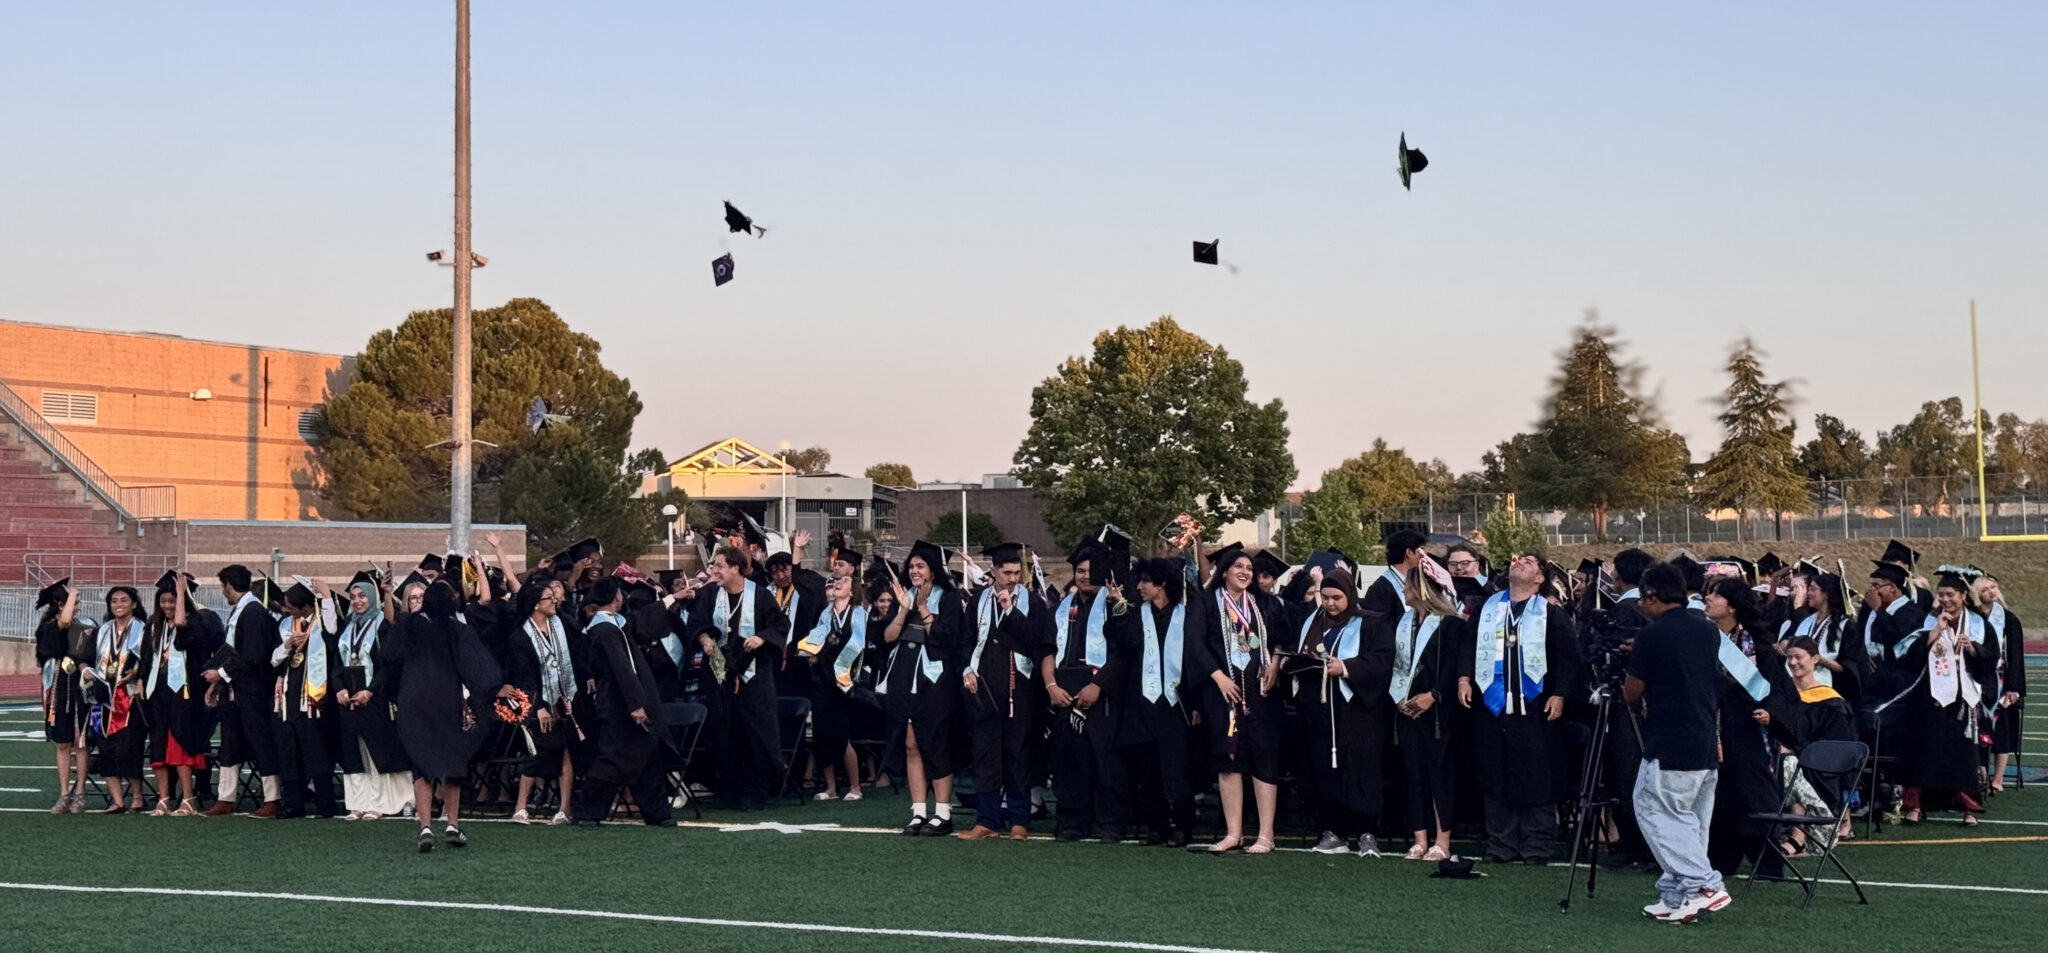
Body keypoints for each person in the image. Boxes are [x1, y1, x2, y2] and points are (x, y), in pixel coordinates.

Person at [1624, 562, 1733, 923]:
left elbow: (1631, 691)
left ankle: (1704, 885)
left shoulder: (1652, 635)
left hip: (1669, 741)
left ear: (1652, 595)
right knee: (1689, 822)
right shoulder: (1708, 630)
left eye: (1643, 598)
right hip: (1703, 736)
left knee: (1655, 810)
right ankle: (1677, 894)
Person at [1460, 552, 1582, 865]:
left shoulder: (1549, 613)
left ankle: (1536, 846)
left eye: (1529, 562)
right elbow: (1468, 645)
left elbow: (1568, 656)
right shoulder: (1488, 608)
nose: (1519, 563)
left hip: (1535, 704)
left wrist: (1560, 693)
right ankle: (1500, 845)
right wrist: (1463, 678)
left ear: (1540, 578)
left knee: (1536, 773)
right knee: (1494, 770)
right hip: (1493, 703)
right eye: (1518, 560)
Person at [391, 581, 508, 850]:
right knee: (452, 762)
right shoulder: (458, 630)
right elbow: (476, 667)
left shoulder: (410, 626)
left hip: (413, 701)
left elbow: (389, 655)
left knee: (421, 765)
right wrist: (494, 687)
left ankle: (425, 828)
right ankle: (453, 824)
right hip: (446, 701)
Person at [1289, 566, 1396, 857]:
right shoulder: (1311, 622)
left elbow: (1382, 662)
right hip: (1319, 709)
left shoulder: (1371, 623)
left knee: (1360, 770)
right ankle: (1332, 831)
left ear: (1350, 594)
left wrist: (1346, 668)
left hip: (1357, 712)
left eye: (1336, 597)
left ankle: (1366, 833)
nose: (1330, 604)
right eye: (1325, 597)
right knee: (1322, 770)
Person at [1188, 545, 1286, 854]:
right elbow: (1195, 643)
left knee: (1263, 757)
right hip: (1222, 693)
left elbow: (1283, 636)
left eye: (1249, 568)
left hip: (1261, 692)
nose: (1245, 572)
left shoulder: (1265, 604)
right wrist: (1218, 676)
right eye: (1238, 567)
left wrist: (1274, 664)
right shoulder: (1206, 603)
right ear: (1225, 571)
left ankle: (1265, 835)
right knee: (1228, 759)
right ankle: (1234, 833)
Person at [957, 543, 1050, 840]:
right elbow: (966, 641)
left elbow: (1035, 638)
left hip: (1019, 688)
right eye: (1006, 572)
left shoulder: (1031, 601)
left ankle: (1020, 819)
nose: (1012, 578)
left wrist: (1010, 609)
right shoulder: (978, 601)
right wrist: (967, 670)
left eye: (1016, 572)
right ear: (993, 571)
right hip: (984, 688)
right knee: (985, 754)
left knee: (1017, 752)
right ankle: (986, 820)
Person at [689, 548, 790, 812]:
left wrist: (762, 637)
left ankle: (758, 793)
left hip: (753, 676)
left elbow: (780, 625)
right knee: (724, 733)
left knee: (756, 734)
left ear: (735, 567)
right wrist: (704, 638)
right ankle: (729, 792)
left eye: (719, 566)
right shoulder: (711, 593)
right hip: (719, 674)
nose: (715, 571)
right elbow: (696, 621)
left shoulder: (761, 595)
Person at [1895, 571, 1999, 825]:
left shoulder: (1978, 623)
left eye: (1950, 595)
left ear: (1963, 596)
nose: (1945, 600)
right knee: (1924, 750)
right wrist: (1934, 633)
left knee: (1963, 754)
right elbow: (1908, 658)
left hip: (1963, 697)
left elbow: (1992, 659)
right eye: (1941, 595)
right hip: (1931, 696)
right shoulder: (1928, 621)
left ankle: (1969, 807)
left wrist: (1973, 648)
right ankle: (1915, 806)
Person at [1044, 541, 1130, 842]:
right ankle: (1072, 820)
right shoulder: (1061, 609)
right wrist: (1051, 686)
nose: (1084, 576)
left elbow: (1123, 653)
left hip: (1101, 694)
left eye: (1091, 571)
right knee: (1067, 759)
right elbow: (1047, 649)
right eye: (1080, 571)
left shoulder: (1116, 606)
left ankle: (1111, 821)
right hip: (1064, 694)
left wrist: (1098, 685)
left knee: (1106, 760)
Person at [877, 541, 965, 835]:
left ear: (932, 570)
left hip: (935, 678)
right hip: (903, 673)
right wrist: (904, 610)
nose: (914, 571)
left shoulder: (949, 599)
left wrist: (924, 608)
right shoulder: (904, 595)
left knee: (935, 741)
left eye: (920, 566)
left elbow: (945, 640)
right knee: (910, 742)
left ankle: (943, 812)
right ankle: (918, 812)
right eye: (911, 566)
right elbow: (888, 637)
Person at [575, 577, 674, 828]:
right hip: (619, 704)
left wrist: (674, 598)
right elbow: (621, 669)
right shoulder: (604, 629)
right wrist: (635, 704)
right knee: (614, 756)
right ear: (616, 597)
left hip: (624, 700)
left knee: (647, 756)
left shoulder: (613, 625)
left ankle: (658, 812)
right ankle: (587, 810)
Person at [1701, 576, 1782, 877]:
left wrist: (1770, 713)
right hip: (1715, 724)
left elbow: (1771, 688)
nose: (1708, 600)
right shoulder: (1705, 638)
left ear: (1733, 606)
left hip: (1748, 725)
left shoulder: (1758, 644)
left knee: (1754, 791)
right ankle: (1722, 858)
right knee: (1720, 794)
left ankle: (1768, 861)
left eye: (1716, 596)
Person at [1113, 557, 1197, 847]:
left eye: (1145, 581)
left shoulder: (1186, 615)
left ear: (1161, 584)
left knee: (1177, 770)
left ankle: (1183, 826)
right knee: (1147, 769)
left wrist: (1195, 702)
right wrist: (1119, 610)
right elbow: (1126, 644)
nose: (1139, 586)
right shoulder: (1137, 614)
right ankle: (1157, 825)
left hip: (1175, 703)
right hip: (1142, 703)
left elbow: (1193, 662)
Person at [1391, 560, 1467, 861]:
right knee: (1414, 771)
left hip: (1439, 711)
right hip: (1407, 708)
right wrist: (1399, 697)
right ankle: (1419, 838)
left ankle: (1442, 840)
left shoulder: (1451, 624)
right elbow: (1398, 665)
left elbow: (1453, 668)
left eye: (1408, 585)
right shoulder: (1403, 623)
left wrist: (1433, 695)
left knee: (1440, 772)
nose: (1405, 590)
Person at [1754, 636, 1856, 856]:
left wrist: (1794, 750)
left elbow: (1833, 748)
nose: (1793, 663)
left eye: (1798, 657)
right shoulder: (1783, 694)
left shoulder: (1831, 701)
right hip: (1778, 758)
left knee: (1790, 763)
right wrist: (1771, 721)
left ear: (1815, 660)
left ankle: (1798, 836)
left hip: (1818, 770)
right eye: (1789, 658)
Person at [204, 564, 283, 817]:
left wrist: (221, 674)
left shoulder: (254, 613)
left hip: (254, 690)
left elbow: (254, 655)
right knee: (230, 743)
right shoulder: (241, 611)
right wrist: (217, 682)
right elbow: (232, 650)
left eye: (223, 587)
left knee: (261, 743)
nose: (223, 593)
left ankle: (272, 799)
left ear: (228, 585)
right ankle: (225, 798)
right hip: (234, 691)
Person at [142, 572, 222, 817]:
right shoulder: (153, 626)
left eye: (172, 601)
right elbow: (147, 659)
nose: (167, 606)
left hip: (185, 694)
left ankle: (188, 798)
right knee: (159, 746)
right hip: (158, 693)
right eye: (163, 601)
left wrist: (180, 594)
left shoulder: (198, 622)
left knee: (181, 745)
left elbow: (182, 632)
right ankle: (164, 798)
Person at [335, 572, 413, 821]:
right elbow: (336, 661)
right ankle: (358, 802)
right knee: (353, 752)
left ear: (372, 598)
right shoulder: (347, 625)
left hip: (374, 696)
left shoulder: (382, 624)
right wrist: (340, 688)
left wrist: (371, 690)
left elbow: (388, 664)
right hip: (349, 698)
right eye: (353, 597)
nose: (357, 601)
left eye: (362, 597)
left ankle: (380, 803)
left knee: (376, 750)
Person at [795, 571, 873, 803]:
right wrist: (809, 652)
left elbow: (857, 642)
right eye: (838, 581)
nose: (839, 584)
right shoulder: (826, 613)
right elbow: (816, 640)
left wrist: (842, 672)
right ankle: (830, 787)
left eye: (845, 581)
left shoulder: (858, 613)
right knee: (821, 733)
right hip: (822, 679)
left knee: (842, 735)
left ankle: (855, 786)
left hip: (844, 681)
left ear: (852, 591)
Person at [506, 577, 577, 825]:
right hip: (538, 700)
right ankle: (521, 806)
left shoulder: (562, 624)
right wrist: (538, 707)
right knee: (534, 750)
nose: (554, 600)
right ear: (536, 604)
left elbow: (578, 652)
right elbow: (522, 676)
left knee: (566, 751)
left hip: (566, 697)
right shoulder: (520, 636)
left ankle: (564, 808)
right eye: (549, 597)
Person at [271, 579, 341, 818]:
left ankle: (325, 804)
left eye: (291, 607)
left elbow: (332, 628)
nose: (286, 610)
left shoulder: (321, 623)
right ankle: (293, 803)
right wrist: (287, 645)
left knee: (315, 750)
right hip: (287, 696)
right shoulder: (286, 627)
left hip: (313, 698)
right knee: (288, 750)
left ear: (307, 608)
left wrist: (327, 596)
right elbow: (272, 659)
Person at [86, 585, 149, 813]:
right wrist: (85, 669)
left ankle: (138, 797)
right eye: (114, 601)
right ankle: (117, 800)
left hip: (131, 698)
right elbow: (86, 659)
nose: (118, 604)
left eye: (124, 600)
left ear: (133, 604)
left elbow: (150, 661)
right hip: (102, 698)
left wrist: (137, 671)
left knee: (129, 749)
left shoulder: (145, 630)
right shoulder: (101, 631)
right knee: (107, 750)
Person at [35, 579, 94, 813]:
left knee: (80, 741)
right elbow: (65, 621)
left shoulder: (81, 625)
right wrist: (73, 593)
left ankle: (80, 790)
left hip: (78, 686)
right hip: (60, 686)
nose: (77, 604)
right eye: (73, 601)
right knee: (63, 742)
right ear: (61, 604)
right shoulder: (49, 627)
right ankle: (64, 792)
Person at [1975, 573, 2026, 793]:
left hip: (2003, 679)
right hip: (1978, 679)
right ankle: (1980, 775)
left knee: (2003, 727)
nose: (1991, 591)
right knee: (1977, 727)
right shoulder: (1974, 618)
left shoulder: (2009, 619)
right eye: (1985, 589)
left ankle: (1998, 778)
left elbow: (2016, 655)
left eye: (1994, 586)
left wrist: (2014, 688)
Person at [1362, 529, 1427, 620]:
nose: (1424, 556)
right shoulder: (1379, 590)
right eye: (1421, 550)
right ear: (1409, 552)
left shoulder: (1419, 581)